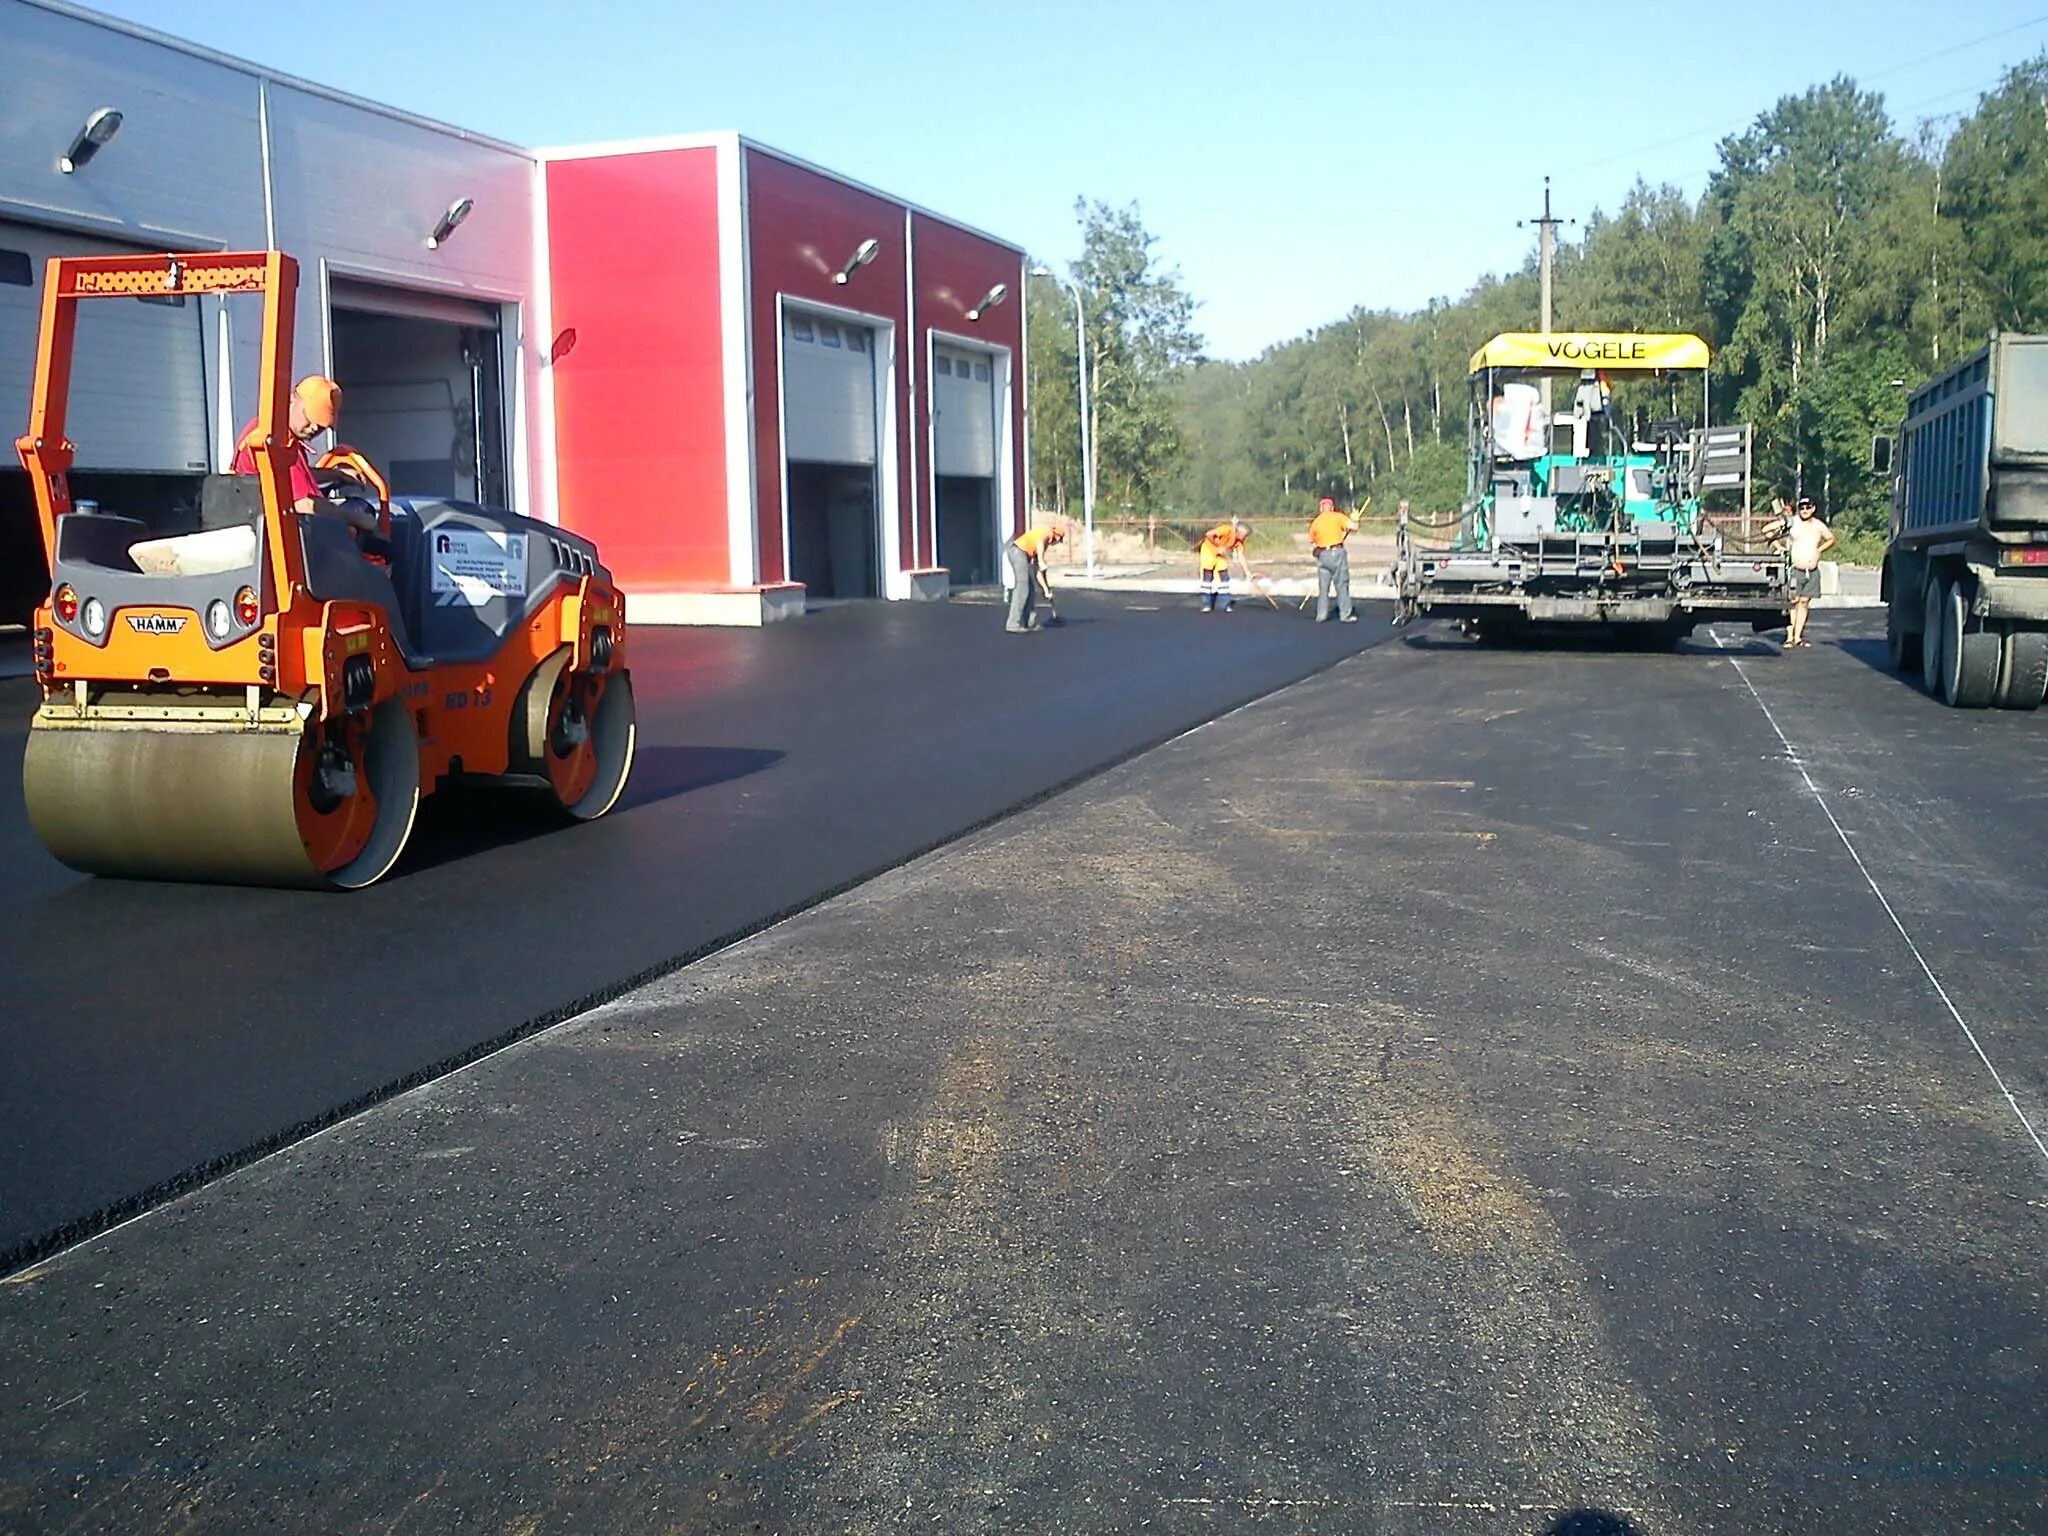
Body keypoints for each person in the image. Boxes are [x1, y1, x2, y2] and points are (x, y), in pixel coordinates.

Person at [231, 375, 376, 533]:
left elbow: (297, 478)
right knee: (352, 526)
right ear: (292, 400)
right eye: (310, 417)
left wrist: (337, 474)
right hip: (274, 532)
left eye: (321, 426)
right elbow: (305, 504)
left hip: (268, 525)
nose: (314, 428)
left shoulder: (272, 433)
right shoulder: (277, 442)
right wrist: (357, 518)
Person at [1775, 494, 1836, 648]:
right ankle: (1789, 637)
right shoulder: (1793, 522)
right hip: (1795, 569)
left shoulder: (1818, 525)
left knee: (1804, 603)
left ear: (1813, 508)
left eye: (1808, 507)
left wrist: (1819, 550)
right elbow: (1767, 530)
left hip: (1812, 571)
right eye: (1802, 507)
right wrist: (1780, 547)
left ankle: (1797, 637)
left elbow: (1831, 539)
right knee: (1792, 603)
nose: (1804, 510)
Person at [1308, 496, 1361, 623]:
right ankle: (1345, 614)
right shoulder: (1338, 517)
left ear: (1321, 509)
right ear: (1331, 508)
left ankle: (1321, 615)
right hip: (1337, 553)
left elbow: (1313, 542)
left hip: (1323, 556)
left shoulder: (1316, 522)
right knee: (1341, 584)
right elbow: (1354, 527)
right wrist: (1356, 519)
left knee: (1323, 588)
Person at [1006, 521, 1065, 632]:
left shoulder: (1043, 540)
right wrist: (1042, 561)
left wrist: (1046, 590)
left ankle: (1030, 622)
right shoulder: (1047, 533)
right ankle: (1013, 623)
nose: (1056, 544)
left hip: (1021, 554)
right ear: (1057, 537)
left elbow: (1038, 571)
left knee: (1031, 589)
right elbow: (1040, 543)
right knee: (1022, 588)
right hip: (1018, 552)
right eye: (1059, 541)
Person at [1197, 518, 1250, 612]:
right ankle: (1207, 604)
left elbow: (1241, 556)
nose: (1246, 538)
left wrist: (1247, 572)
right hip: (1208, 551)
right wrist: (1218, 546)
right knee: (1207, 577)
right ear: (1239, 532)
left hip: (1221, 554)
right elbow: (1209, 534)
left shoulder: (1239, 542)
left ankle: (1225, 604)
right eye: (1245, 535)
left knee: (1224, 577)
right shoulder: (1226, 529)